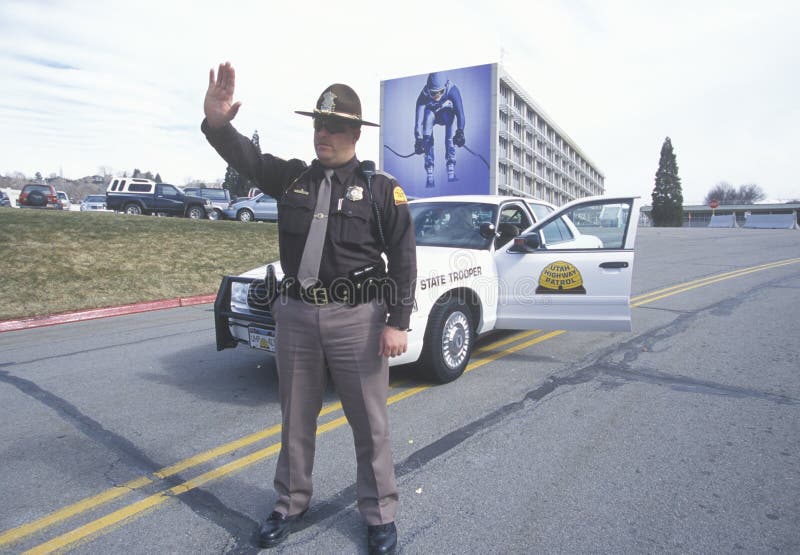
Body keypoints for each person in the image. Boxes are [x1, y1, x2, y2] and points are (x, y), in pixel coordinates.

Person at [202, 62, 416, 555]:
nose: (324, 133)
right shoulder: (293, 178)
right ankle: (289, 502)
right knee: (295, 417)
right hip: (297, 315)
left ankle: (380, 514)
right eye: (319, 123)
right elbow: (247, 157)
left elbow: (404, 257)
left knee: (370, 423)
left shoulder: (382, 189)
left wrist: (398, 322)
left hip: (358, 321)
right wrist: (218, 123)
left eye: (335, 125)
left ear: (355, 133)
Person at [413, 72, 466, 188]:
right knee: (427, 121)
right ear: (428, 89)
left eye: (440, 92)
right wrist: (419, 139)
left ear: (446, 87)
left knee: (450, 129)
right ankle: (429, 167)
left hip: (447, 114)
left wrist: (460, 131)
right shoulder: (423, 95)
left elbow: (460, 113)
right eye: (433, 93)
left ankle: (451, 164)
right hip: (431, 114)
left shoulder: (452, 90)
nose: (437, 96)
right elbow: (418, 120)